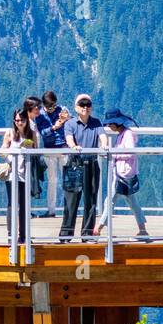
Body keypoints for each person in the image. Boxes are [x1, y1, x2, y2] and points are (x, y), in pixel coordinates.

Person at [96, 109, 148, 239]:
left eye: (110, 124)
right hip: (121, 174)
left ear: (116, 123)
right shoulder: (121, 134)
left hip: (124, 175)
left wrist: (114, 154)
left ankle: (98, 228)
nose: (108, 126)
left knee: (110, 201)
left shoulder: (127, 134)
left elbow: (131, 152)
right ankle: (142, 229)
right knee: (132, 203)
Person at [59, 94, 105, 241]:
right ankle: (66, 234)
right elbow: (69, 139)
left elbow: (102, 137)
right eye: (82, 104)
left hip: (91, 163)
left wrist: (105, 146)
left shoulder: (96, 123)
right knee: (70, 200)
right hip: (74, 164)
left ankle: (87, 234)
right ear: (76, 107)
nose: (85, 107)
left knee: (90, 201)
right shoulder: (70, 124)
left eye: (88, 104)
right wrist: (74, 146)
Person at [0, 108, 35, 240]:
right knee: (12, 203)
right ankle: (11, 233)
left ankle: (23, 234)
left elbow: (35, 149)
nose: (19, 123)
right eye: (17, 120)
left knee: (24, 204)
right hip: (12, 173)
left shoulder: (31, 134)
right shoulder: (9, 133)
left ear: (26, 120)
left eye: (22, 120)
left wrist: (28, 145)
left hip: (25, 172)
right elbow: (2, 150)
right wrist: (6, 149)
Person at [35, 91, 70, 217]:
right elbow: (42, 133)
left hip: (63, 148)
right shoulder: (40, 115)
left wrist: (67, 119)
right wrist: (54, 128)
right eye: (50, 107)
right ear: (44, 105)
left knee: (68, 180)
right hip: (49, 150)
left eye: (54, 105)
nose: (53, 109)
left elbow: (71, 126)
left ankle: (69, 209)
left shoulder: (62, 110)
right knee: (52, 181)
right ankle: (51, 210)